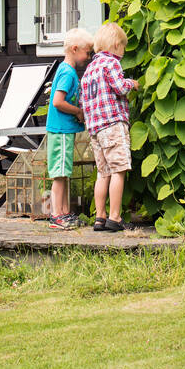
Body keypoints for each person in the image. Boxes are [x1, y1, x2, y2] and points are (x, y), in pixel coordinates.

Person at [80, 22, 137, 233]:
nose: (123, 53)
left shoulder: (89, 71)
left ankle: (99, 217)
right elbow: (120, 87)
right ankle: (115, 217)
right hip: (112, 124)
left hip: (95, 129)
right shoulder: (111, 64)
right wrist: (132, 83)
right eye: (122, 47)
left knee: (102, 174)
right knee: (119, 170)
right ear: (115, 44)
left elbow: (84, 102)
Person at [46, 28, 94, 230]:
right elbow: (58, 102)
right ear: (75, 49)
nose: (89, 57)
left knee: (64, 172)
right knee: (59, 172)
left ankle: (64, 213)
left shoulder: (66, 70)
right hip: (61, 130)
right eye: (88, 52)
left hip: (64, 130)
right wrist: (78, 112)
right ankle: (56, 215)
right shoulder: (68, 72)